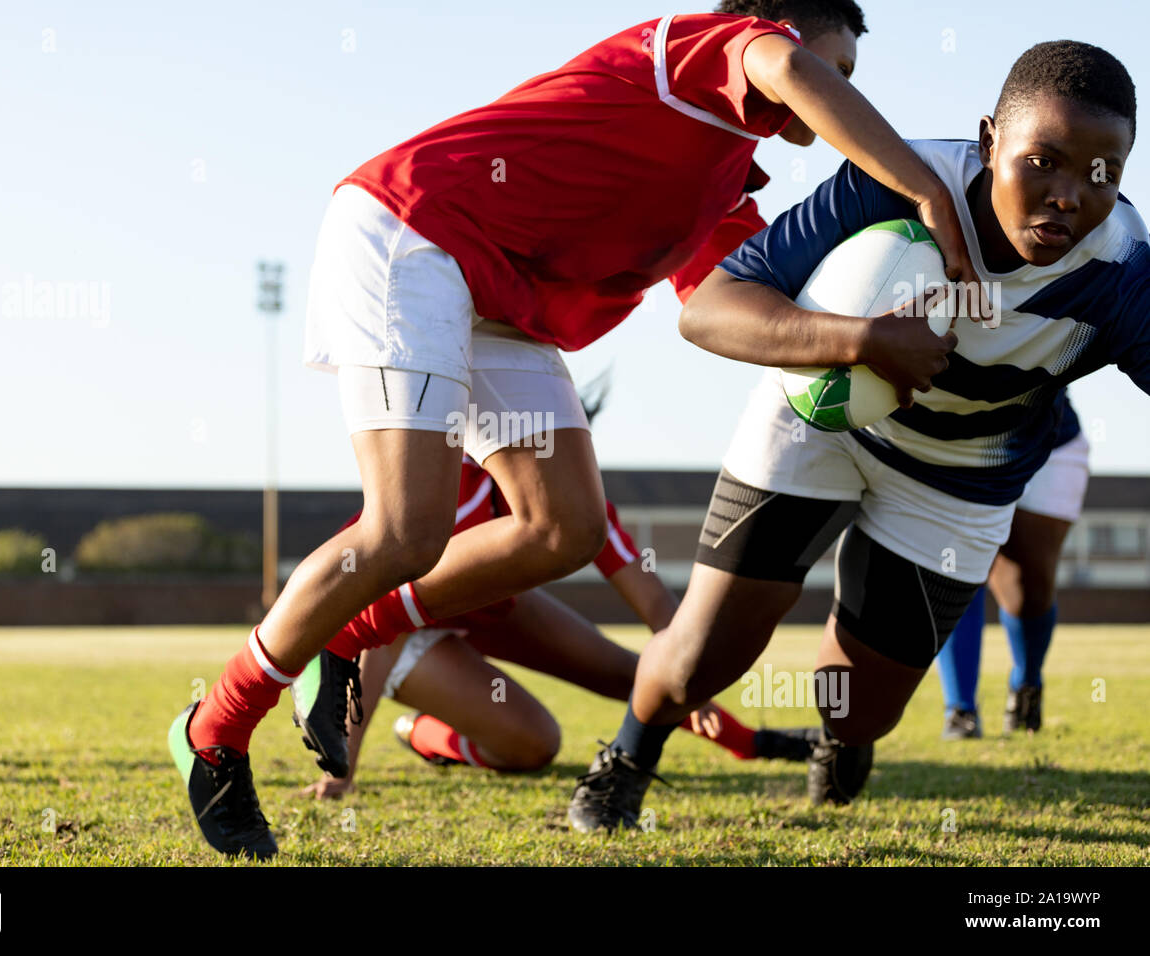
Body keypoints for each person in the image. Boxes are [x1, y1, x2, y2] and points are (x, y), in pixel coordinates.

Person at [169, 0, 979, 859]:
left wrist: (868, 348)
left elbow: (723, 314)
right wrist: (924, 187)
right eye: (839, 68)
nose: (840, 90)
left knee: (565, 529)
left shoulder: (726, 181)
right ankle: (215, 731)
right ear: (775, 27)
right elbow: (789, 70)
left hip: (500, 302)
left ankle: (348, 635)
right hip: (413, 232)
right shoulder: (707, 49)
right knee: (406, 529)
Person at [568, 39, 1144, 830]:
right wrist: (862, 343)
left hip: (961, 471)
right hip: (820, 423)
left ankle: (838, 739)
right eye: (1042, 161)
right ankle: (627, 757)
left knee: (858, 709)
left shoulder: (1123, 272)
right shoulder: (892, 178)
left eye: (1100, 174)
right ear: (988, 141)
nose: (1068, 195)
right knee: (704, 655)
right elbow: (709, 309)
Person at [297, 451, 823, 800]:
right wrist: (340, 768)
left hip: (480, 607)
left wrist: (727, 720)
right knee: (535, 745)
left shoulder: (578, 502)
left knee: (634, 676)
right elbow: (372, 633)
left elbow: (663, 615)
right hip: (384, 631)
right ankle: (426, 735)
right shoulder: (456, 494)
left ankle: (753, 742)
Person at [936, 394, 1088, 738]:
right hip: (949, 439)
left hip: (1046, 437)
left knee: (1028, 590)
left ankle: (1027, 683)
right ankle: (960, 710)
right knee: (957, 569)